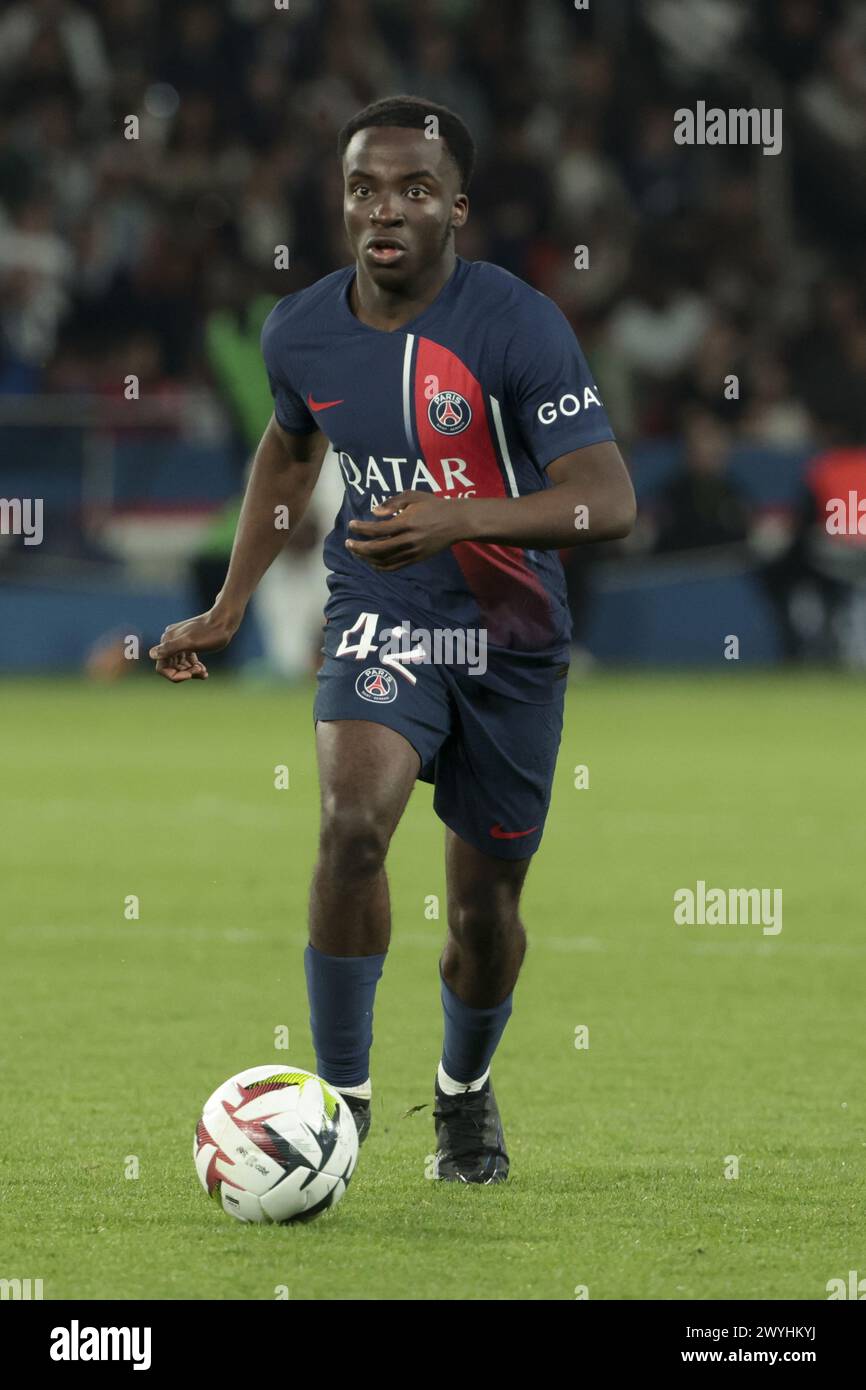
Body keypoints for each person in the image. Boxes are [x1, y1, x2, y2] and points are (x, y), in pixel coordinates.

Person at [149, 96, 635, 1184]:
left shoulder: (516, 324)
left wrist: (460, 518)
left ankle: (462, 1093)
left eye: (415, 189)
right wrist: (230, 604)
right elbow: (289, 455)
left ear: (455, 207)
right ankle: (338, 1105)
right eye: (364, 187)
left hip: (509, 636)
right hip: (382, 611)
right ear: (341, 202)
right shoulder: (300, 330)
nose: (386, 208)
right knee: (350, 826)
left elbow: (606, 500)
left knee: (483, 911)